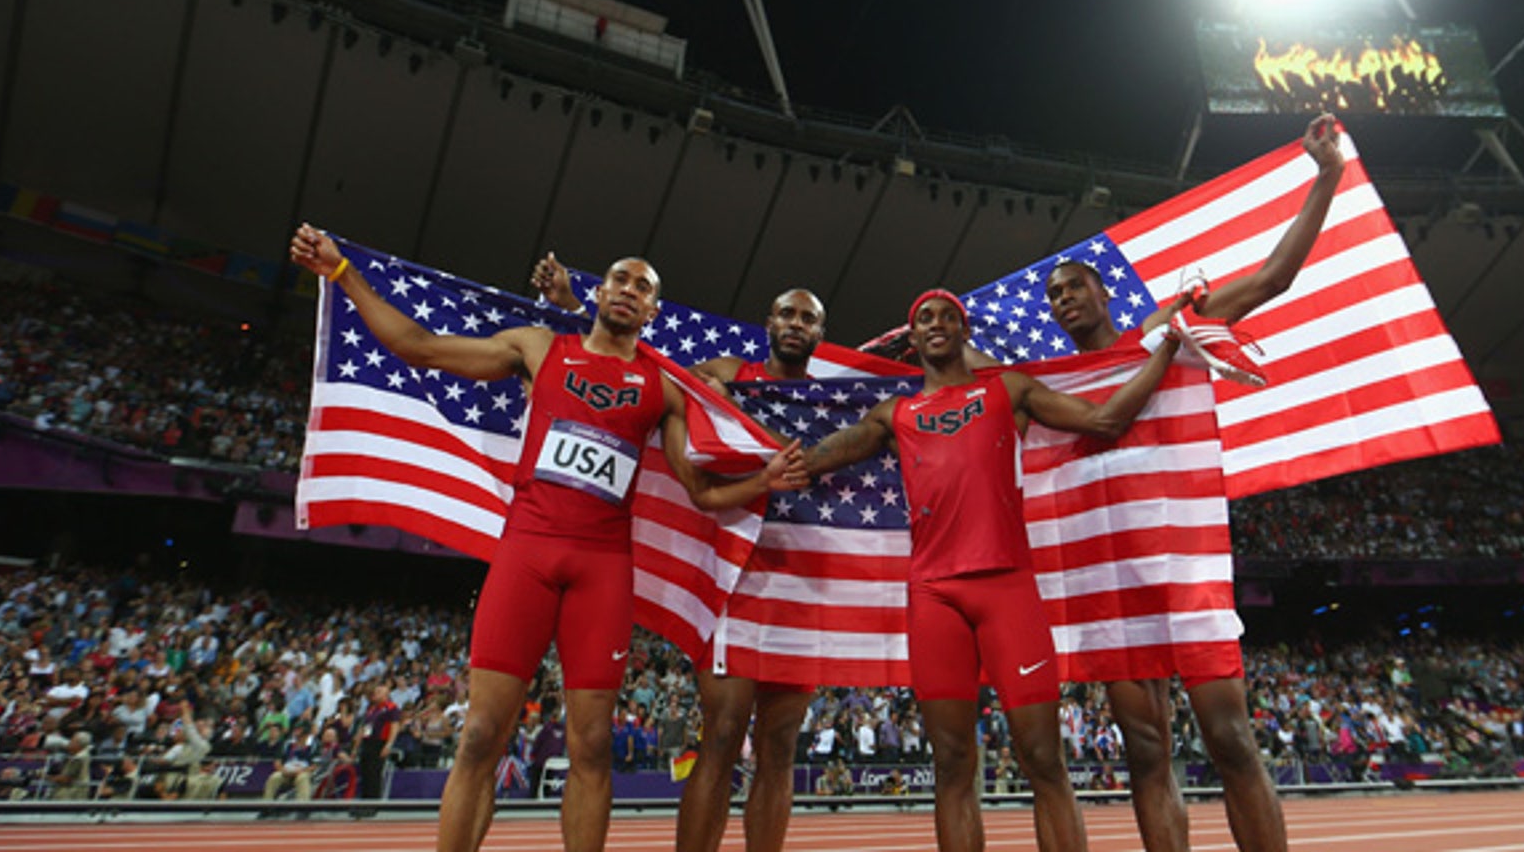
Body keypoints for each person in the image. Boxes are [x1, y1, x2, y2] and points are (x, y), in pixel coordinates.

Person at [289, 225, 797, 852]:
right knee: (481, 734)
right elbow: (417, 346)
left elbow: (701, 492)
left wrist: (764, 480)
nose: (629, 290)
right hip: (526, 554)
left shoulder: (663, 386)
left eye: (642, 287)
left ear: (652, 311)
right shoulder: (538, 348)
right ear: (599, 292)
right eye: (620, 279)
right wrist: (343, 273)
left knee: (593, 744)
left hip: (601, 568)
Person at [1038, 113, 1344, 852]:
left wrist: (1328, 175)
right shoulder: (1047, 387)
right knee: (1147, 756)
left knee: (1231, 739)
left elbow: (1272, 278)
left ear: (1103, 293)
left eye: (1074, 287)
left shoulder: (1164, 333)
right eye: (1053, 295)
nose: (1063, 299)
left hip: (1182, 570)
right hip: (1112, 582)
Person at [785, 289, 1181, 852]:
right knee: (951, 763)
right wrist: (743, 442)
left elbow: (1106, 419)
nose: (937, 324)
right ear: (912, 337)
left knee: (1043, 757)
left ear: (964, 332)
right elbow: (812, 459)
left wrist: (1167, 349)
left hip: (1007, 589)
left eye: (949, 316)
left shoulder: (1008, 390)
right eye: (925, 318)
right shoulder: (895, 414)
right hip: (934, 596)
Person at [533, 255, 832, 852]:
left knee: (780, 746)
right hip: (731, 575)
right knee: (722, 734)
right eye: (787, 314)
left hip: (799, 577)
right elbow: (644, 368)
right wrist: (573, 308)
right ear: (768, 322)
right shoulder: (728, 372)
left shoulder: (832, 402)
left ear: (820, 334)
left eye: (808, 318)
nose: (796, 324)